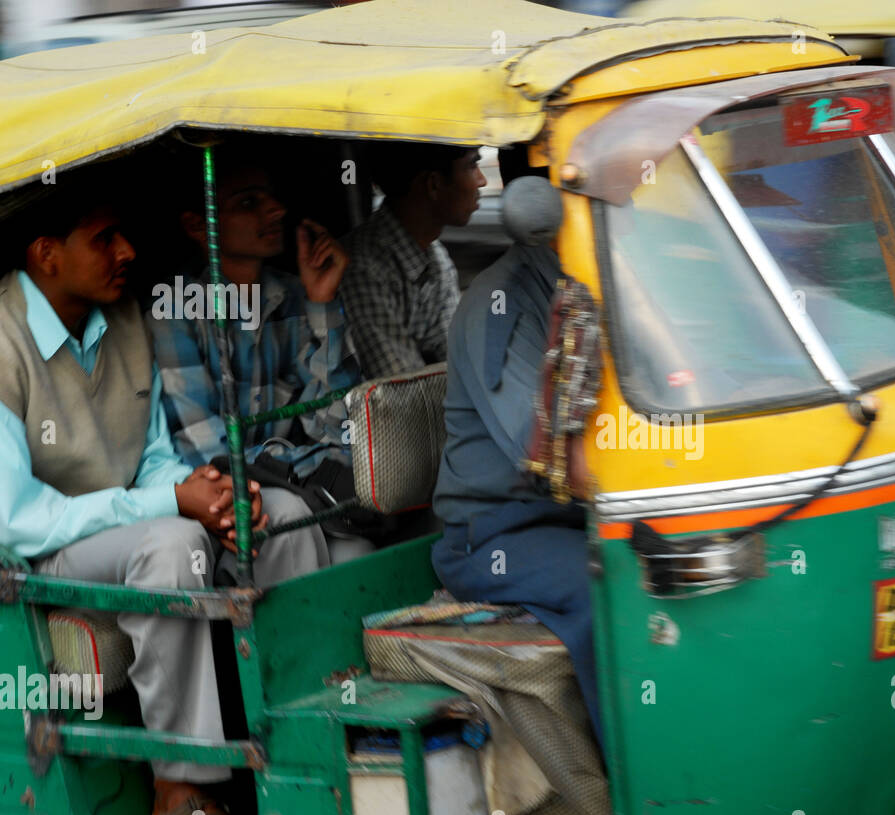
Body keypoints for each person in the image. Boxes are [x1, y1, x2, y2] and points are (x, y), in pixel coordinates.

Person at [0, 173, 329, 815]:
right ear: (46, 254)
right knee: (174, 546)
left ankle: (301, 758)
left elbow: (151, 459)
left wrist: (207, 493)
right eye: (104, 240)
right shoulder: (4, 344)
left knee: (286, 514)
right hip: (41, 559)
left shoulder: (120, 321)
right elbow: (19, 521)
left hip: (126, 529)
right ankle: (178, 794)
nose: (126, 252)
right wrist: (169, 506)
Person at [430, 176, 603, 748]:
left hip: (573, 517)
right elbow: (559, 463)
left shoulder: (604, 280)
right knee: (614, 582)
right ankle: (646, 784)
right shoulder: (498, 306)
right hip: (497, 533)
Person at [149, 143, 368, 561]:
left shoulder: (289, 296)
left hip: (291, 486)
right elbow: (209, 453)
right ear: (198, 226)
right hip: (215, 498)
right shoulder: (174, 311)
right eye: (249, 203)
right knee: (290, 516)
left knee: (356, 551)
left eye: (270, 198)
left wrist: (322, 303)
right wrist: (302, 464)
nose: (275, 211)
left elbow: (341, 423)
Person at [341, 142, 486, 378]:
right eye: (472, 166)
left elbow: (460, 355)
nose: (482, 181)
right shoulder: (363, 268)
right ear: (434, 184)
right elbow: (401, 389)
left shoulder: (435, 256)